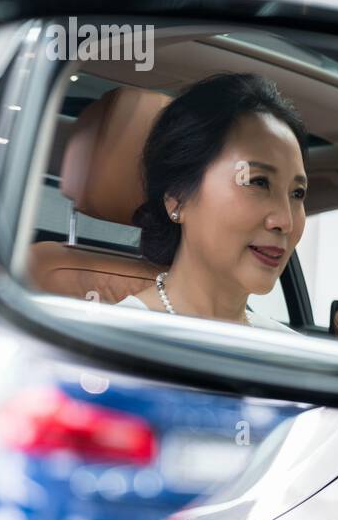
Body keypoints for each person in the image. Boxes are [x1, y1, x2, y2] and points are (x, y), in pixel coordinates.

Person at [117, 72, 306, 334]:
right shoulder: (114, 339)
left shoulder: (293, 352)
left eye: (297, 193)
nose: (285, 221)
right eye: (259, 182)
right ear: (177, 197)